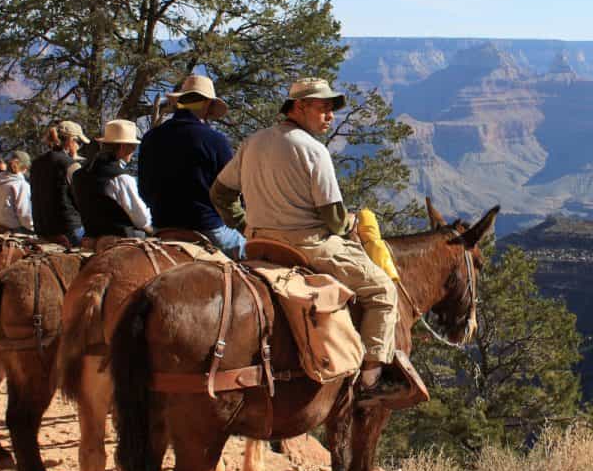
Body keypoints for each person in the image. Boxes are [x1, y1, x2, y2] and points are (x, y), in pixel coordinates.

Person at [213, 77, 417, 408]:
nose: (330, 116)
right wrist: (351, 221)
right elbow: (334, 220)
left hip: (258, 242)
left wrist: (242, 222)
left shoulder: (253, 142)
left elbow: (220, 193)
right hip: (308, 244)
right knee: (382, 290)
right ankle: (370, 381)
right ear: (298, 107)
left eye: (331, 110)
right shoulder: (313, 151)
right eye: (322, 108)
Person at [137, 74, 243, 258]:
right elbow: (231, 189)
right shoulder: (215, 140)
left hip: (162, 228)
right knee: (256, 254)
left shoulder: (150, 137)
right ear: (207, 104)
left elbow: (144, 190)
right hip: (208, 228)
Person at [71, 120, 152, 239]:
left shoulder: (79, 174)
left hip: (90, 237)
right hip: (121, 239)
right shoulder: (121, 178)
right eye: (133, 147)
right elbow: (141, 220)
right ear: (123, 147)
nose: (133, 151)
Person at [30, 120, 88, 246]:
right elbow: (82, 201)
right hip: (69, 230)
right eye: (79, 143)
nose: (79, 147)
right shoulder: (71, 165)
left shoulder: (36, 163)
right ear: (71, 141)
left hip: (42, 230)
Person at [0, 150, 34, 233]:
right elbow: (25, 215)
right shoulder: (21, 185)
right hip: (13, 230)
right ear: (25, 168)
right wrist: (33, 228)